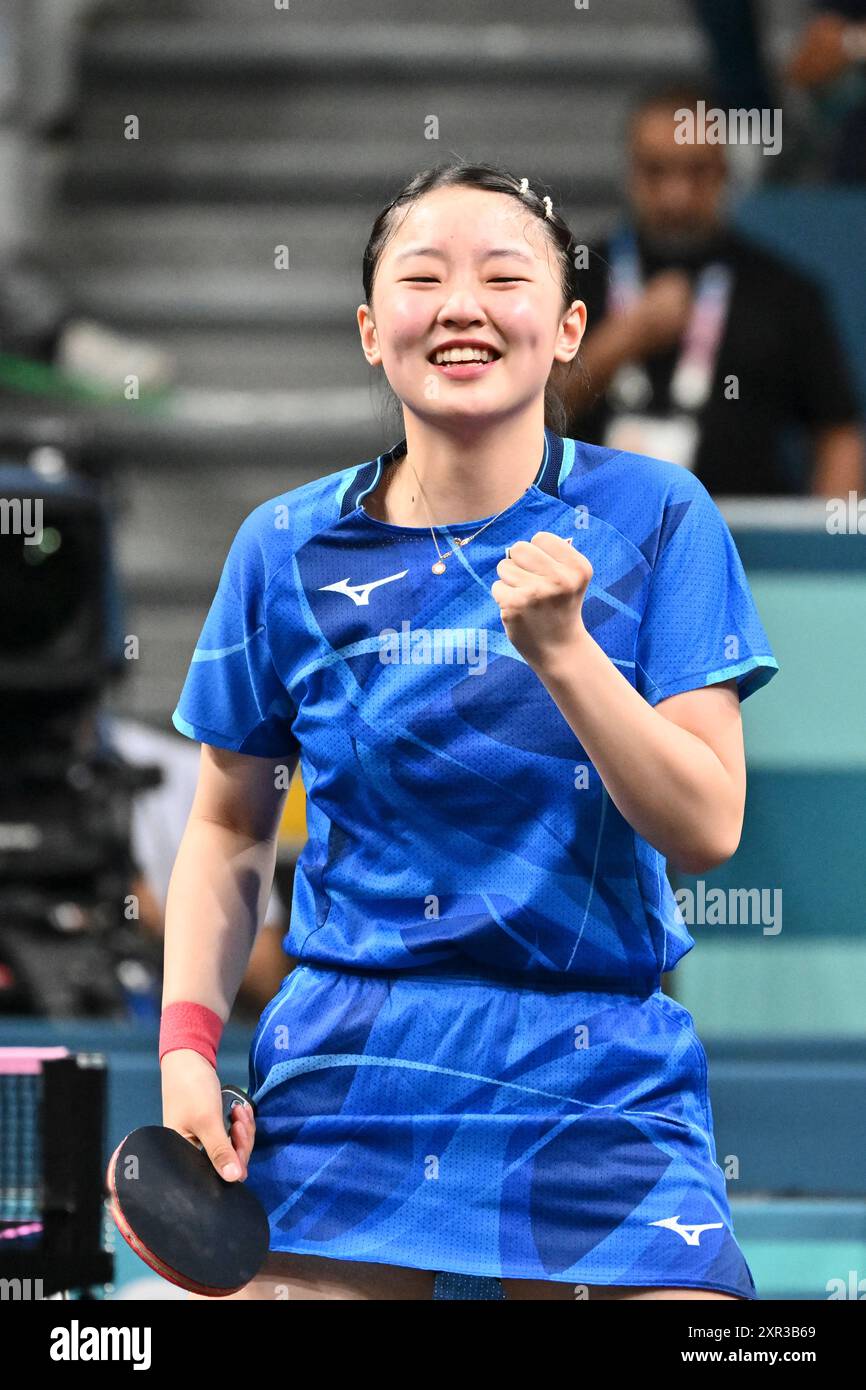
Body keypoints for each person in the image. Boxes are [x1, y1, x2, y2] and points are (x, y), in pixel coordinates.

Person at [161, 160, 780, 1301]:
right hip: (354, 1061)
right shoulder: (284, 546)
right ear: (367, 328)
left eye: (503, 276)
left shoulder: (657, 518)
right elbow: (226, 822)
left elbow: (704, 826)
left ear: (566, 329)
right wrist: (185, 1050)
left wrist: (565, 653)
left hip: (593, 1067)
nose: (460, 305)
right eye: (421, 277)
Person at [563, 83, 865, 497]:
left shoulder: (785, 291)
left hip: (742, 547)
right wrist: (625, 339)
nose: (676, 194)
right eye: (656, 171)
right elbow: (531, 412)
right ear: (630, 172)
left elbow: (838, 432)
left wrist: (824, 548)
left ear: (726, 171)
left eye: (697, 170)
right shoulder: (571, 279)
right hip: (583, 542)